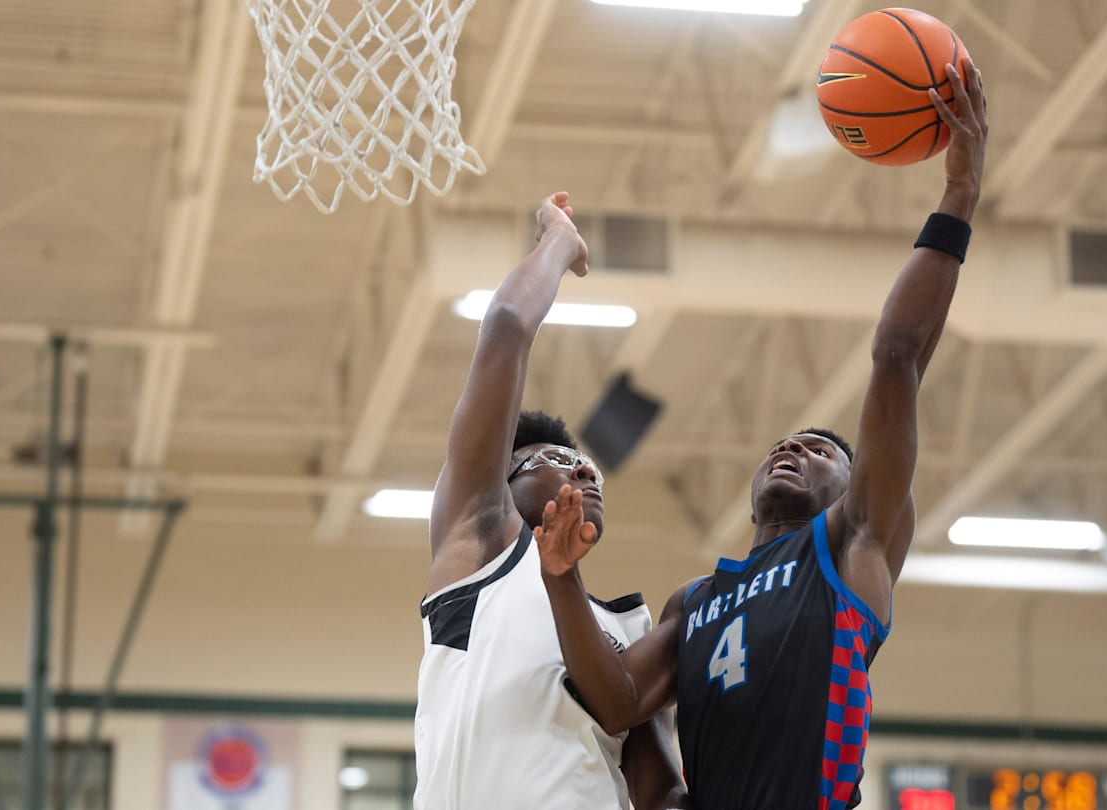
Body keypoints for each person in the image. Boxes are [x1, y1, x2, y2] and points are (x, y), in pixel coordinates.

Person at [533, 59, 989, 810]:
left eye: (822, 451)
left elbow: (898, 354)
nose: (794, 449)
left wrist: (960, 193)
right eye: (784, 444)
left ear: (859, 484)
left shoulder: (853, 544)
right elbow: (616, 701)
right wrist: (560, 576)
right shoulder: (696, 599)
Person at [414, 192, 687, 810]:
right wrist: (558, 241)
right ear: (503, 482)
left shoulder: (627, 633)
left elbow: (660, 791)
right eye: (558, 461)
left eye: (590, 467)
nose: (585, 472)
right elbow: (507, 327)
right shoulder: (480, 540)